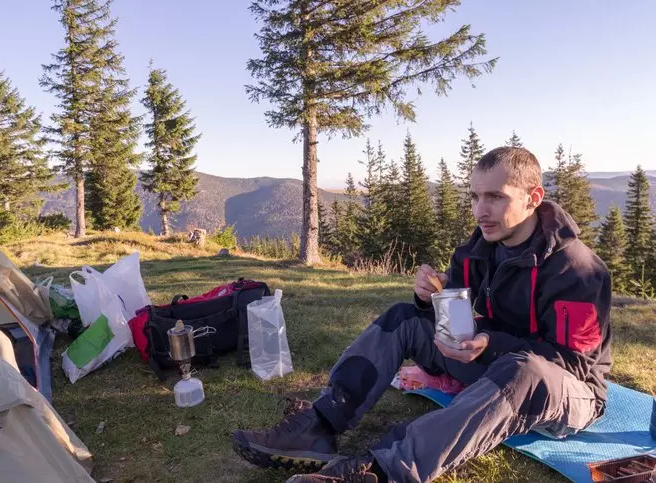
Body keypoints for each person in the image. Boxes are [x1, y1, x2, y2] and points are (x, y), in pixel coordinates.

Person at [232, 147, 612, 483]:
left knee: (523, 372)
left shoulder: (576, 271)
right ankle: (319, 423)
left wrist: (491, 343)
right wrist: (431, 300)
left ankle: (381, 471)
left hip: (567, 393)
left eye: (496, 197)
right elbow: (457, 318)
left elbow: (574, 364)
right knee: (404, 318)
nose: (481, 210)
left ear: (534, 198)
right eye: (476, 196)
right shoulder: (478, 249)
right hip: (494, 361)